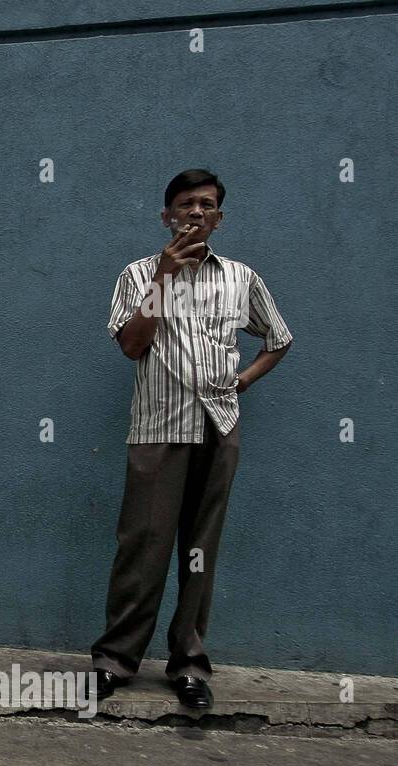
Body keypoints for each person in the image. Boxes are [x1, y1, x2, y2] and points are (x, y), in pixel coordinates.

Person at [91, 169, 293, 709]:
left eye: (207, 204)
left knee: (201, 550)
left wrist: (242, 381)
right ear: (167, 215)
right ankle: (115, 660)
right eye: (185, 204)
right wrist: (162, 276)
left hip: (218, 427)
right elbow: (132, 346)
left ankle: (189, 667)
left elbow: (278, 338)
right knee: (142, 545)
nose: (196, 212)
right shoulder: (137, 275)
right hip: (158, 428)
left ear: (219, 217)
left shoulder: (241, 278)